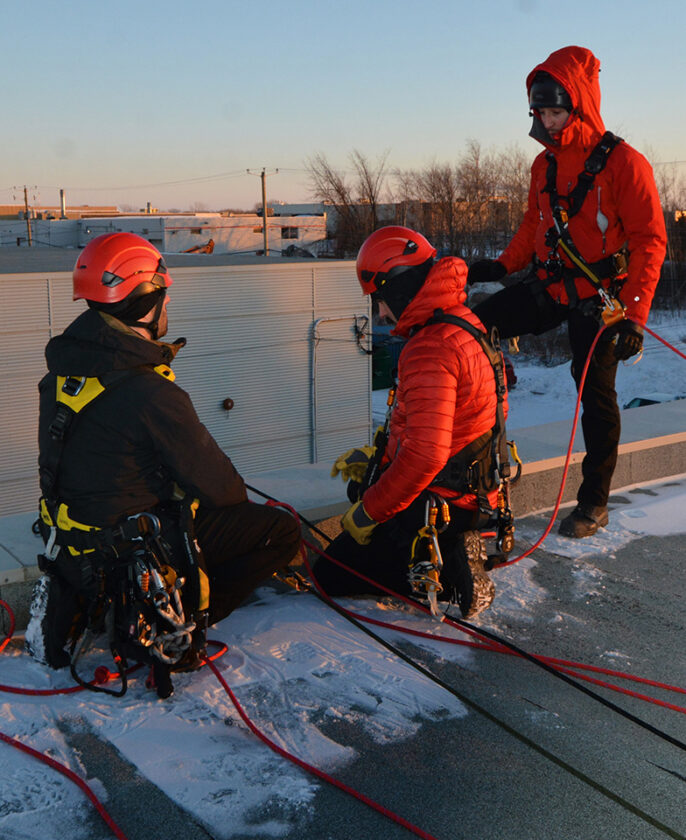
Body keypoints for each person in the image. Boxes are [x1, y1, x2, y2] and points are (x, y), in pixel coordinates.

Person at [28, 232, 301, 680]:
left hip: (73, 544)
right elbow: (225, 491)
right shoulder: (151, 391)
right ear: (143, 299)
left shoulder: (61, 376)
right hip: (133, 551)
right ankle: (176, 621)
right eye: (163, 293)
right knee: (281, 531)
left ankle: (85, 602)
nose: (168, 303)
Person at [469, 45, 667, 538]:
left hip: (603, 299)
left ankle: (594, 502)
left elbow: (650, 241)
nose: (549, 122)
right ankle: (472, 466)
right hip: (553, 284)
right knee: (474, 326)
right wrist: (502, 264)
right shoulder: (545, 165)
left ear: (577, 105)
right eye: (540, 114)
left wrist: (634, 316)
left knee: (593, 390)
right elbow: (532, 225)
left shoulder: (624, 163)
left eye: (555, 112)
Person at [312, 225, 511, 619]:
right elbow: (459, 423)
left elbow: (424, 457)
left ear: (400, 288)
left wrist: (369, 512)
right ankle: (458, 548)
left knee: (328, 575)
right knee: (360, 487)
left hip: (441, 506)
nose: (382, 313)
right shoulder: (463, 324)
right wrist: (380, 457)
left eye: (381, 300)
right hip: (476, 494)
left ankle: (450, 570)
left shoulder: (430, 347)